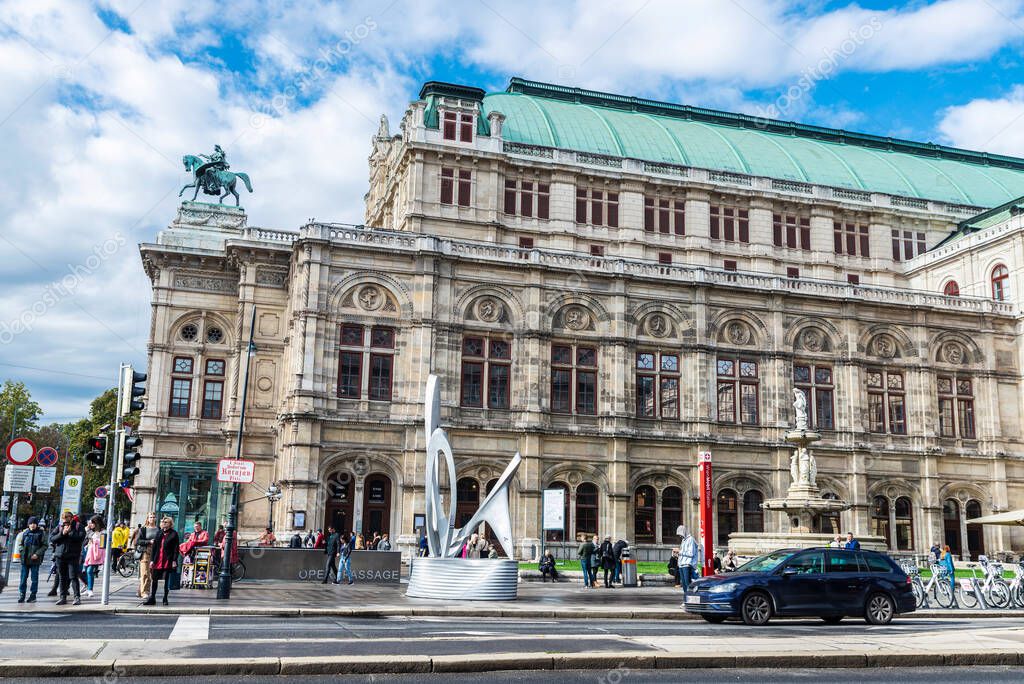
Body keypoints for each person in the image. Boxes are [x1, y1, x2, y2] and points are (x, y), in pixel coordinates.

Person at [49, 511, 86, 606]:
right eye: (63, 518)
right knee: (62, 577)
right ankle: (62, 597)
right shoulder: (60, 527)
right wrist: (62, 533)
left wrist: (70, 532)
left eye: (67, 517)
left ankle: (77, 597)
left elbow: (80, 537)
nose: (65, 520)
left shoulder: (78, 526)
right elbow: (52, 538)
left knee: (73, 577)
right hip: (60, 556)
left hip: (73, 556)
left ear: (72, 518)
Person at [145, 516, 180, 606]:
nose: (164, 524)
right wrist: (152, 560)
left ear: (170, 524)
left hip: (168, 560)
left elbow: (176, 549)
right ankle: (152, 598)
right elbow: (154, 547)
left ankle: (165, 598)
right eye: (163, 522)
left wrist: (174, 560)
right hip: (158, 559)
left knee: (167, 580)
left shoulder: (174, 534)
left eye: (166, 522)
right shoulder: (159, 532)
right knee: (154, 579)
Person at [17, 517, 46, 603]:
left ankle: (33, 596)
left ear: (37, 524)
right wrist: (22, 551)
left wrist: (37, 554)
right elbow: (20, 544)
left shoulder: (41, 533)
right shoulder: (25, 533)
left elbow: (45, 545)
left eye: (34, 523)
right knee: (23, 578)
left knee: (34, 579)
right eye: (31, 523)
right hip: (25, 560)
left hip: (35, 560)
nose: (32, 525)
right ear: (28, 524)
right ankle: (22, 594)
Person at [133, 512, 160, 599]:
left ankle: (140, 590)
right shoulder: (143, 529)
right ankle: (145, 592)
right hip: (145, 552)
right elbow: (137, 541)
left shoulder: (158, 529)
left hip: (155, 553)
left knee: (151, 574)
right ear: (147, 519)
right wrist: (149, 541)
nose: (152, 519)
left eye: (153, 517)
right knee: (145, 573)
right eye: (150, 517)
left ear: (155, 518)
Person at [82, 516, 106, 598]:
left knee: (89, 571)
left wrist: (94, 541)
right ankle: (88, 588)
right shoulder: (92, 531)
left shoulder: (103, 532)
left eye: (92, 523)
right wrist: (87, 530)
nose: (91, 524)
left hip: (96, 554)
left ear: (96, 523)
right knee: (85, 570)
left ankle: (90, 589)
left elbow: (103, 544)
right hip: (89, 553)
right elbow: (87, 539)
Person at [678, 526, 701, 593]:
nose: (680, 536)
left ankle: (690, 596)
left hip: (687, 564)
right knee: (684, 584)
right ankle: (686, 597)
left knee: (688, 583)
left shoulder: (691, 539)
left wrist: (680, 552)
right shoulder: (683, 540)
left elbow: (691, 553)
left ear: (683, 532)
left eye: (680, 534)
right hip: (681, 564)